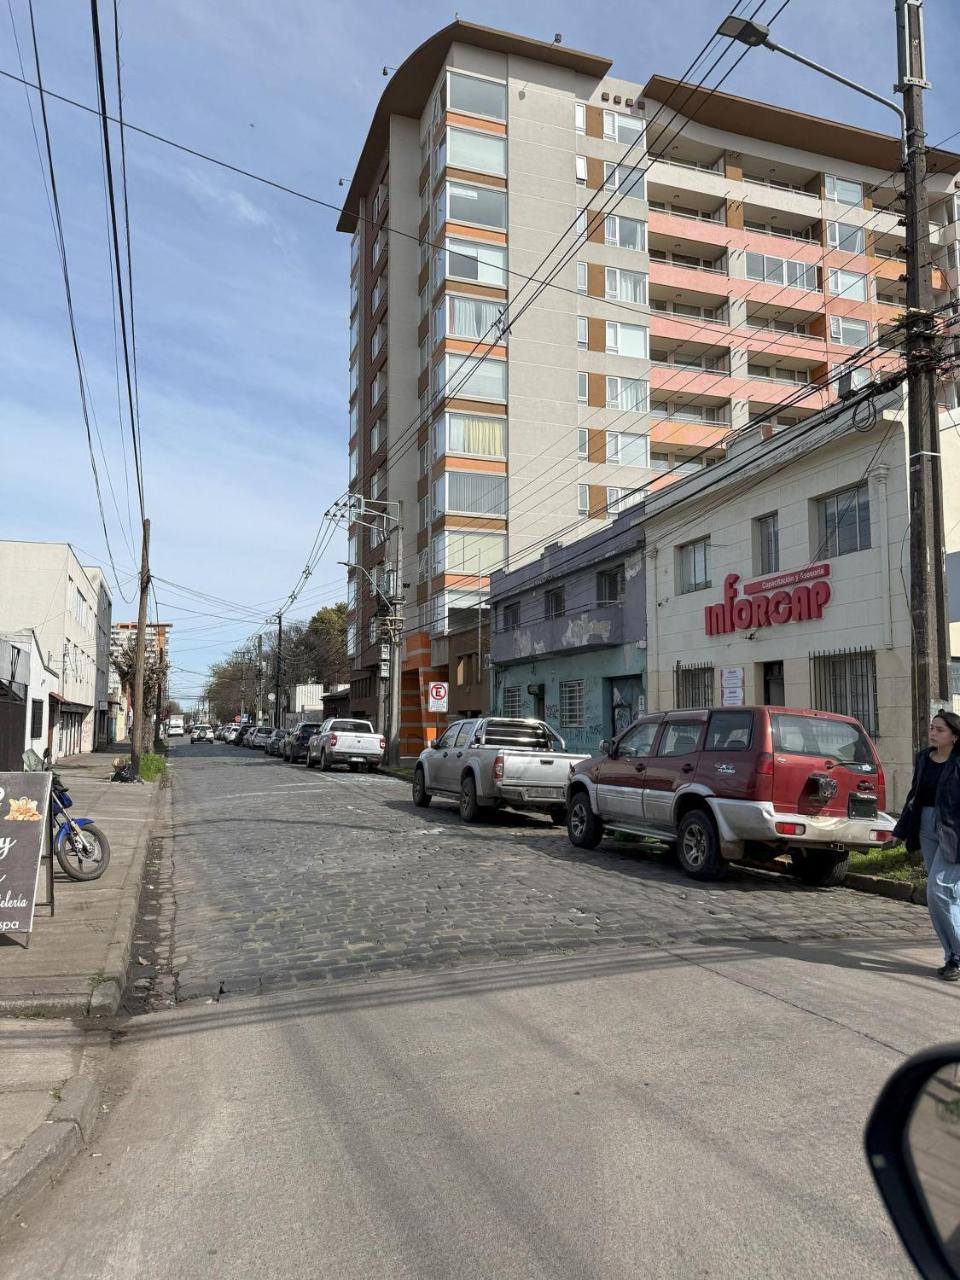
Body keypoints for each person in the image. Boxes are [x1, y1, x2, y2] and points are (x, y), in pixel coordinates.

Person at [894, 710, 960, 980]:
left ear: (955, 736)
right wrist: (900, 830)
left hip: (954, 832)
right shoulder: (924, 758)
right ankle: (953, 959)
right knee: (945, 899)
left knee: (938, 890)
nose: (933, 733)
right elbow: (915, 795)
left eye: (940, 729)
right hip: (926, 826)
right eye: (932, 727)